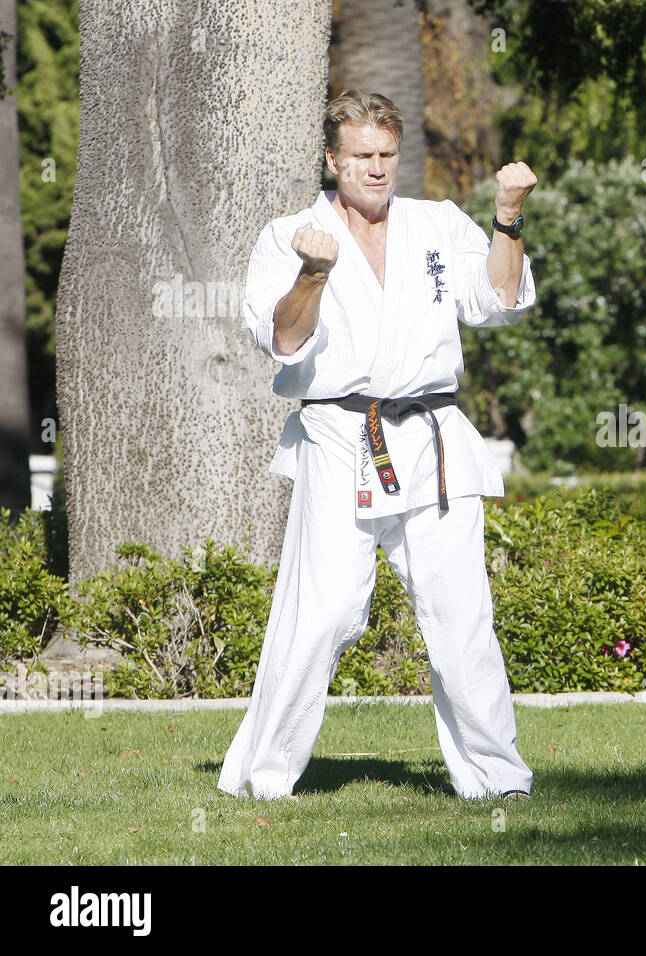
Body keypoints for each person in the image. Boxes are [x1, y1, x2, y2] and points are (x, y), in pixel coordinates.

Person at [218, 90, 536, 801]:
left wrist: (507, 219)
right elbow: (282, 339)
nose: (376, 169)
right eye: (361, 157)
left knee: (461, 611)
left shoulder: (438, 223)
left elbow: (500, 302)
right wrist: (313, 274)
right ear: (331, 159)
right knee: (324, 607)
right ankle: (262, 776)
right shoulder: (291, 233)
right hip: (339, 432)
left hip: (433, 432)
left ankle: (496, 777)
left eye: (387, 156)